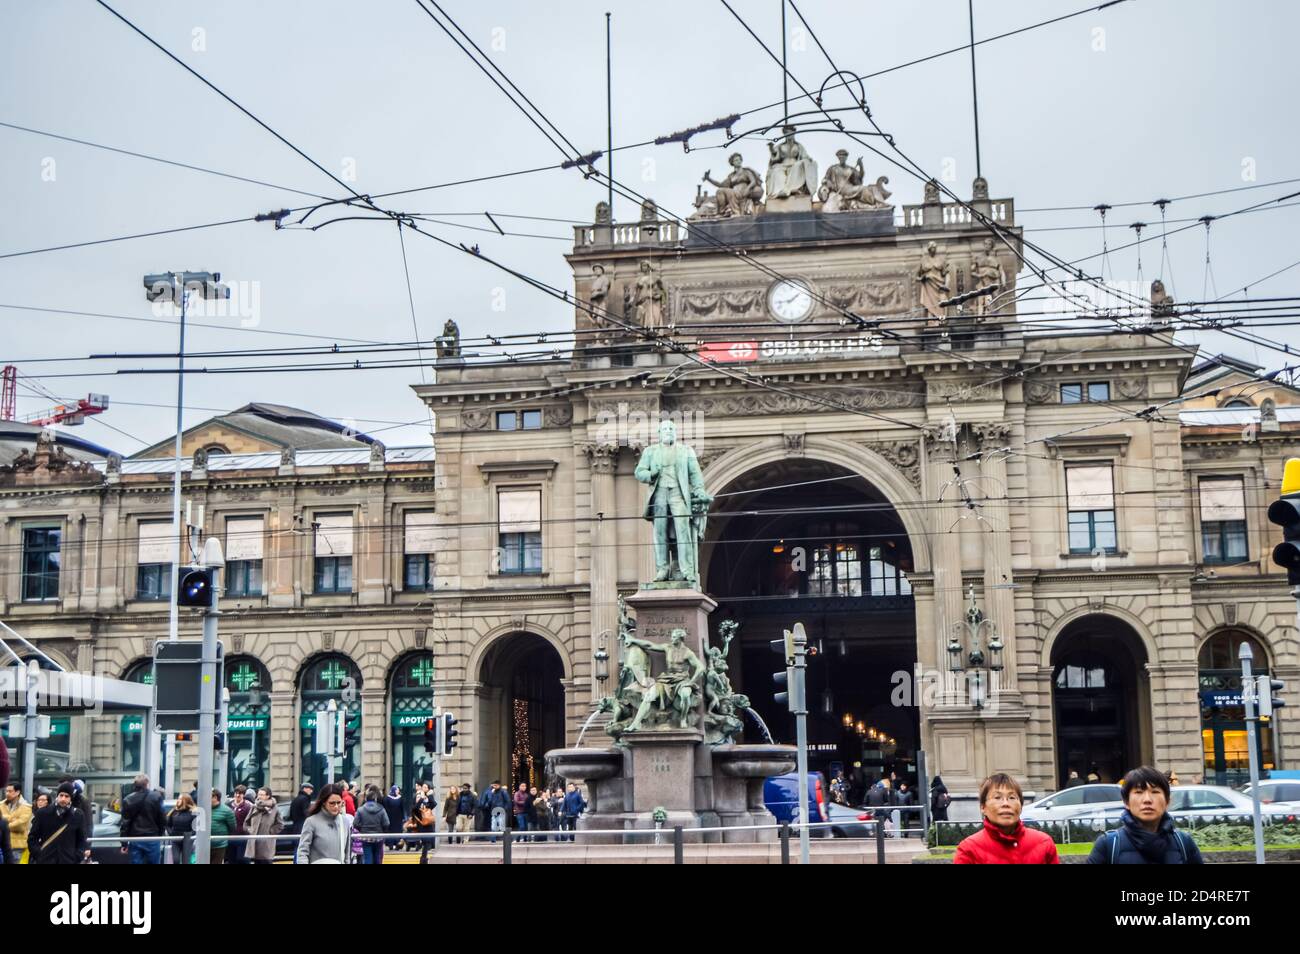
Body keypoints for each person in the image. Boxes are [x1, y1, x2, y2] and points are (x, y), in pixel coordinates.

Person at [1088, 766, 1204, 865]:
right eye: (1139, 792)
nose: (1147, 800)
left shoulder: (1184, 843)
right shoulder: (1108, 845)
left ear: (1167, 801)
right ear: (1126, 802)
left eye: (1155, 792)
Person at [954, 773, 1059, 865]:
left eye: (1012, 798)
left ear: (1021, 805)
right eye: (997, 797)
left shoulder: (1044, 843)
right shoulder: (968, 849)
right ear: (983, 807)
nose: (1006, 804)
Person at [29, 781, 89, 864]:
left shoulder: (78, 815)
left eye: (67, 796)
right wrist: (39, 854)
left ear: (71, 798)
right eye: (61, 795)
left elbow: (82, 839)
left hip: (68, 860)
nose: (63, 799)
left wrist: (77, 857)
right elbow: (32, 837)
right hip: (46, 860)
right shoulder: (43, 813)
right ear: (57, 796)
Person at [298, 783, 354, 864]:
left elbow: (347, 854)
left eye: (339, 803)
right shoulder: (311, 821)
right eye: (332, 803)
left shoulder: (345, 822)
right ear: (324, 802)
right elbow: (303, 852)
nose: (336, 806)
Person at [119, 774, 166, 864]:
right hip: (152, 837)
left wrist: (124, 843)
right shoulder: (156, 797)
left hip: (135, 838)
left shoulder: (128, 800)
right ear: (147, 784)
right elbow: (162, 819)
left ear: (135, 785)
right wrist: (160, 834)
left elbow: (125, 823)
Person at [245, 787, 283, 865]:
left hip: (267, 843)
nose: (259, 796)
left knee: (266, 861)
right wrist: (250, 830)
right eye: (258, 794)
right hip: (254, 843)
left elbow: (280, 824)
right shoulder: (254, 807)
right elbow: (246, 822)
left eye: (262, 795)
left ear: (268, 796)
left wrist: (270, 831)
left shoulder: (275, 808)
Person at [353, 785, 390, 865]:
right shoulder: (381, 809)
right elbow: (386, 823)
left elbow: (355, 823)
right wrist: (382, 832)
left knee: (367, 857)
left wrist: (361, 829)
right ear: (375, 799)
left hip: (365, 836)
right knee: (377, 857)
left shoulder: (360, 810)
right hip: (378, 837)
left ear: (366, 799)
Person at [1, 783, 33, 864]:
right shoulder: (1, 804)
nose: (7, 793)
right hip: (2, 844)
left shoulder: (26, 807)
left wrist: (4, 822)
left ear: (17, 792)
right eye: (6, 791)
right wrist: (13, 819)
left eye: (10, 791)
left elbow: (20, 826)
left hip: (17, 845)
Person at [166, 794, 198, 864]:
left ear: (186, 801)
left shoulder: (193, 812)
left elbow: (196, 827)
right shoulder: (174, 811)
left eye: (180, 799)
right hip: (175, 838)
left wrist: (191, 834)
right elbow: (168, 824)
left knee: (186, 861)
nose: (178, 801)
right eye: (178, 799)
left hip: (187, 839)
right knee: (176, 860)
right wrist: (171, 833)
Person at [209, 788, 236, 864]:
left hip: (219, 845)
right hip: (205, 844)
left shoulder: (227, 811)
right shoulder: (204, 809)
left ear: (215, 798)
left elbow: (232, 827)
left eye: (209, 796)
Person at [404, 797, 435, 863]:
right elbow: (415, 808)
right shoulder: (415, 809)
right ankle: (423, 860)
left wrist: (429, 795)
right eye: (417, 797)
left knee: (427, 844)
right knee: (426, 844)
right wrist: (421, 799)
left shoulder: (426, 806)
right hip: (422, 828)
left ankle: (423, 859)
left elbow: (434, 803)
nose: (419, 798)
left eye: (419, 797)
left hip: (429, 827)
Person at [229, 785, 253, 864]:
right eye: (236, 793)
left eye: (240, 793)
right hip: (230, 837)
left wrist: (248, 830)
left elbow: (251, 821)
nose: (237, 795)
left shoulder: (248, 806)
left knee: (242, 860)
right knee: (231, 860)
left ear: (244, 795)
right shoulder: (229, 805)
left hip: (243, 837)